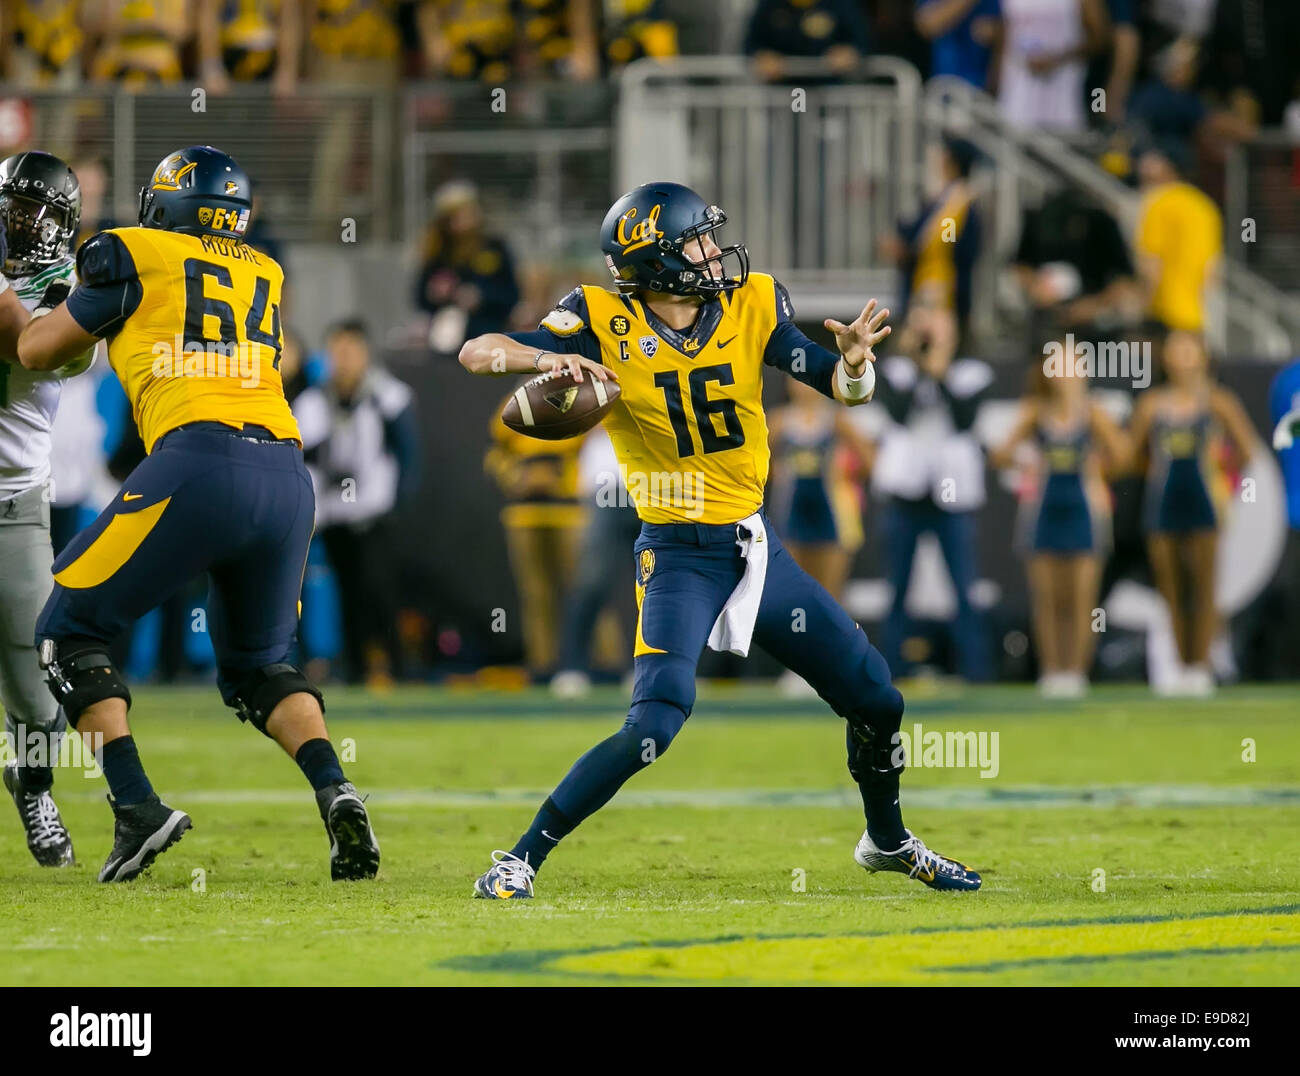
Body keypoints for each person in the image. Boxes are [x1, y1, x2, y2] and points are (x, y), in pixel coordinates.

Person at [459, 180, 981, 898]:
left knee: (878, 699)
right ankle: (521, 856)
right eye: (697, 241)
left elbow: (835, 384)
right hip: (677, 553)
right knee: (656, 721)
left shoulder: (752, 302)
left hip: (753, 548)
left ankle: (887, 839)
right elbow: (474, 351)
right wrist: (545, 360)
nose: (713, 252)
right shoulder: (597, 316)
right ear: (659, 259)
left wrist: (856, 364)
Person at [15, 145, 379, 883]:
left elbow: (35, 347)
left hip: (201, 461)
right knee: (258, 667)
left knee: (65, 632)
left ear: (162, 207)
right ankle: (335, 788)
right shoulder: (264, 272)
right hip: (286, 475)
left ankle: (137, 808)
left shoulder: (129, 253)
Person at [0, 151, 90, 867]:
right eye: (11, 207)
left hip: (13, 506)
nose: (18, 223)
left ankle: (31, 785)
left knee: (38, 696)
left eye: (33, 212)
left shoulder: (67, 290)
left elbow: (47, 355)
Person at [1126, 330, 1257, 696]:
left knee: (1203, 585)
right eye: (1174, 350)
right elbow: (1130, 455)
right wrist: (1147, 467)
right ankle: (1177, 664)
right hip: (1163, 503)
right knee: (1171, 588)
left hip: (1204, 502)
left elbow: (1247, 448)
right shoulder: (1152, 404)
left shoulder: (1218, 402)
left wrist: (1224, 480)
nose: (1181, 357)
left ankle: (1200, 665)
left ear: (1203, 356)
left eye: (1188, 350)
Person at [991, 346, 1126, 697]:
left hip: (1083, 513)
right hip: (1043, 513)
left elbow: (1124, 455)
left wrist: (1098, 467)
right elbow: (1000, 455)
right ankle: (1052, 671)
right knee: (1048, 599)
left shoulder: (1092, 413)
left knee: (1081, 598)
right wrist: (1025, 464)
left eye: (1072, 365)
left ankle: (1077, 672)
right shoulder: (1036, 413)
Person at [870, 303, 993, 681]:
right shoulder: (896, 370)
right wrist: (919, 365)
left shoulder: (973, 372)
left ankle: (977, 673)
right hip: (907, 491)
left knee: (963, 585)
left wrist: (939, 373)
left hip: (952, 493)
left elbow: (963, 420)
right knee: (898, 587)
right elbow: (899, 415)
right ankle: (889, 672)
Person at [294, 319, 420, 686]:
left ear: (365, 352)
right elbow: (305, 454)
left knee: (380, 591)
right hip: (335, 514)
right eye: (337, 351)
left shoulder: (388, 395)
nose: (343, 359)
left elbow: (409, 455)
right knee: (345, 593)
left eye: (350, 350)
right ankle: (355, 669)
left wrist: (399, 504)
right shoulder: (315, 399)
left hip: (374, 511)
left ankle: (397, 667)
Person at [767, 377, 874, 603]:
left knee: (830, 597)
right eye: (796, 380)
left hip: (832, 517)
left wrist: (846, 473)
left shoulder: (837, 420)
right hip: (790, 516)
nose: (803, 386)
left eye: (807, 380)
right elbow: (755, 465)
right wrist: (775, 472)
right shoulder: (778, 422)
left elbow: (870, 460)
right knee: (793, 594)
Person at [882, 136, 981, 330]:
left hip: (940, 295)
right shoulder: (943, 199)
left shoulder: (956, 205)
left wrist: (905, 250)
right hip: (924, 287)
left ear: (952, 163)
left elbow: (945, 243)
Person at [415, 181, 520, 356]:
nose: (461, 222)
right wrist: (435, 295)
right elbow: (420, 297)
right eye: (453, 216)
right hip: (444, 340)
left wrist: (481, 297)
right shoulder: (438, 252)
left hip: (489, 334)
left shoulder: (495, 248)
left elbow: (512, 294)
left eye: (465, 213)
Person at [1133, 139, 1222, 337]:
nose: (1144, 166)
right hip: (1198, 316)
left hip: (1165, 316)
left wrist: (1144, 310)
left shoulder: (1158, 203)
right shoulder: (1204, 205)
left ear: (1168, 166)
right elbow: (1212, 271)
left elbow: (1151, 264)